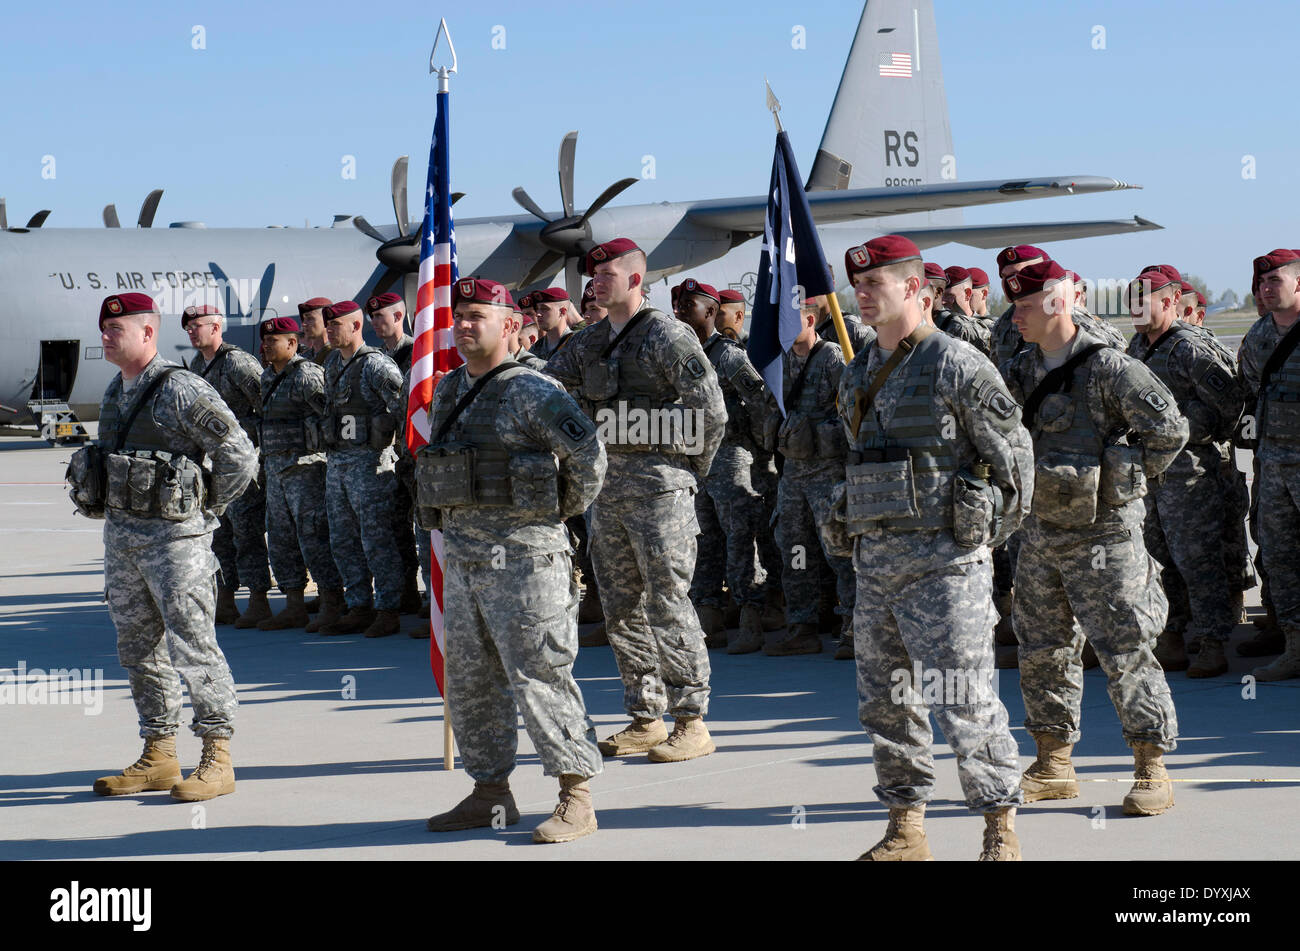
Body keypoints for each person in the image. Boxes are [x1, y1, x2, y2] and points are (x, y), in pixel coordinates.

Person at [838, 235, 1031, 860]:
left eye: (875, 286)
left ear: (917, 290)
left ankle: (999, 827)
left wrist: (974, 542)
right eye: (858, 286)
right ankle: (906, 827)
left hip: (945, 571)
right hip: (876, 567)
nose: (862, 296)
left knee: (964, 699)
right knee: (887, 704)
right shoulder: (856, 372)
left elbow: (1015, 467)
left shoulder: (958, 365)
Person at [420, 278, 607, 843]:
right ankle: (490, 792)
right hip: (467, 556)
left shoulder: (534, 390)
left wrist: (552, 513)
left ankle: (576, 794)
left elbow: (589, 457)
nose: (465, 324)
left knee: (541, 675)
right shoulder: (450, 389)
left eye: (479, 315)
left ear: (510, 326)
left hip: (526, 561)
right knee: (473, 681)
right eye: (462, 315)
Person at [1000, 261, 1186, 817]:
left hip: (1104, 534)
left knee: (1125, 646)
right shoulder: (1017, 370)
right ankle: (1053, 763)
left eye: (1027, 305)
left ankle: (1151, 765)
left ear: (1059, 302)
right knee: (1042, 649)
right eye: (1013, 305)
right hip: (1038, 534)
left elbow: (1170, 430)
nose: (1016, 317)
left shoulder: (1110, 368)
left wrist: (1118, 477)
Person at [545, 238, 725, 762]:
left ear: (634, 281)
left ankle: (692, 720)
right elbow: (551, 393)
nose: (595, 283)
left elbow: (710, 411)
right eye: (592, 275)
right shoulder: (589, 340)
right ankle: (646, 715)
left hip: (661, 493)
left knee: (669, 602)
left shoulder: (667, 335)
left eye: (606, 275)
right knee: (622, 609)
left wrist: (687, 471)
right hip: (608, 494)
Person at [71, 293, 257, 801]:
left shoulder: (180, 389)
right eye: (103, 328)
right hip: (124, 542)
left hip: (176, 544)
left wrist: (205, 510)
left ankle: (218, 756)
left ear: (148, 334)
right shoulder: (116, 390)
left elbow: (239, 454)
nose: (106, 336)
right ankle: (159, 753)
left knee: (193, 646)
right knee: (138, 650)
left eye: (117, 329)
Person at [1127, 269, 1243, 677]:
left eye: (1146, 299)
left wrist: (1183, 429)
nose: (1137, 308)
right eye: (1133, 300)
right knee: (1158, 561)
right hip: (1148, 475)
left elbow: (1230, 404)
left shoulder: (1189, 348)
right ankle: (1171, 635)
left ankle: (1212, 642)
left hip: (1188, 474)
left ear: (1171, 302)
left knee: (1198, 560)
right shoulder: (1135, 349)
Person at [675, 278, 776, 654]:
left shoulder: (729, 355)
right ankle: (710, 617)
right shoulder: (683, 355)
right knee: (704, 537)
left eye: (690, 308)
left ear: (712, 313)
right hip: (696, 459)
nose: (682, 313)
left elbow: (762, 400)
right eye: (680, 308)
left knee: (741, 537)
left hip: (732, 457)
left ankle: (751, 615)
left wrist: (758, 446)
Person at [765, 297, 857, 656]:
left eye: (790, 322)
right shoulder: (781, 361)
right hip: (793, 473)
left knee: (840, 551)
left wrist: (818, 434)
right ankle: (802, 625)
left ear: (809, 320)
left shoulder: (833, 358)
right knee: (796, 549)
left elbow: (855, 414)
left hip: (828, 472)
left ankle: (852, 624)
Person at [319, 300, 406, 637]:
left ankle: (388, 608)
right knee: (343, 539)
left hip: (371, 465)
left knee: (376, 538)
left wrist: (387, 435)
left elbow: (403, 409)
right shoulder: (330, 364)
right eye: (327, 325)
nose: (329, 330)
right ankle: (358, 604)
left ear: (355, 327)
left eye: (335, 325)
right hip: (338, 463)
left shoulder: (375, 366)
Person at [183, 304, 270, 628]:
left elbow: (266, 403)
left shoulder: (237, 363)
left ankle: (259, 599)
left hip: (241, 466)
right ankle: (227, 598)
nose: (192, 331)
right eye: (189, 327)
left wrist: (251, 446)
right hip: (214, 466)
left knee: (248, 534)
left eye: (198, 325)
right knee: (221, 535)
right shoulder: (197, 365)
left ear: (216, 328)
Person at [255, 315, 343, 631]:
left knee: (313, 537)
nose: (265, 347)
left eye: (272, 341)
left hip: (305, 471)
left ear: (292, 344)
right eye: (264, 341)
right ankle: (294, 604)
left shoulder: (307, 376)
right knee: (279, 539)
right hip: (277, 471)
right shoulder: (267, 377)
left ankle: (332, 602)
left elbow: (331, 417)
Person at [1237, 249, 1300, 679]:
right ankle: (1295, 648)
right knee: (1280, 558)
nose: (1265, 288)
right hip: (1273, 466)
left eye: (1275, 280)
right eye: (1262, 282)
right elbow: (1246, 390)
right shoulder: (1259, 335)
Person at [367, 291, 423, 615]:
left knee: (424, 528)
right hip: (394, 458)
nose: (376, 323)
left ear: (399, 317)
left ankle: (430, 598)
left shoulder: (418, 352)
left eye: (381, 316)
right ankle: (406, 591)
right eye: (372, 317)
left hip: (416, 454)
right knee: (397, 526)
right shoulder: (377, 357)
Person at [925, 263, 991, 354]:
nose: (943, 301)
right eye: (942, 296)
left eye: (949, 296)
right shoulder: (935, 321)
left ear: (967, 294)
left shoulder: (978, 329)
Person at [529, 288, 577, 360]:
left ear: (562, 311)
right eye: (537, 309)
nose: (538, 314)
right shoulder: (536, 347)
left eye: (544, 309)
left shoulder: (576, 342)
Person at [297, 297, 334, 365]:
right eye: (303, 319)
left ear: (326, 319)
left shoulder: (337, 356)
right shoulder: (303, 357)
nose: (303, 324)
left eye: (310, 318)